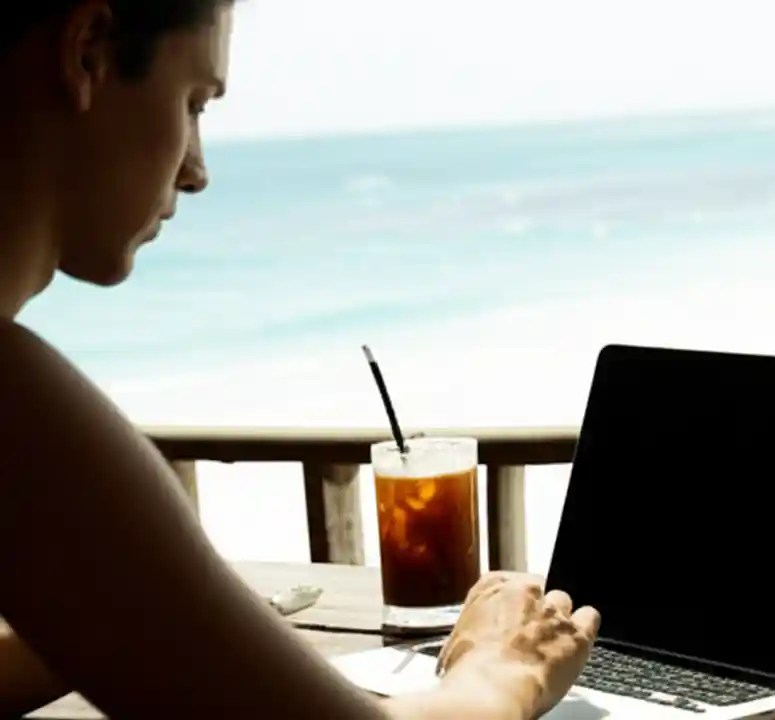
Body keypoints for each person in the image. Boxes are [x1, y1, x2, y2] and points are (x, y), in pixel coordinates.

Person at [0, 1, 600, 717]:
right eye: (194, 102)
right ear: (89, 54)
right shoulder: (15, 409)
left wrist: (151, 621)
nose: (196, 172)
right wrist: (506, 667)